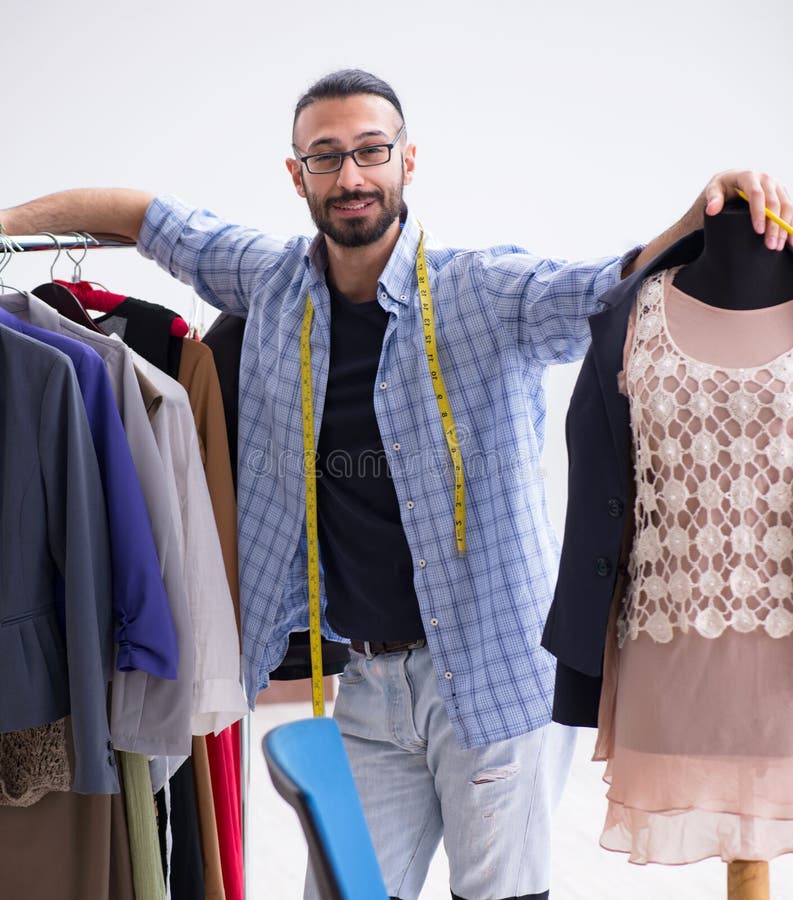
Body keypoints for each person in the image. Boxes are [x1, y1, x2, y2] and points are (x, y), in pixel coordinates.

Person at [2, 68, 791, 900]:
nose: (350, 176)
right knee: (343, 890)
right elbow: (139, 214)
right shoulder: (268, 283)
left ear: (407, 160)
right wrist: (9, 228)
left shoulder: (481, 291)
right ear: (296, 173)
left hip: (490, 680)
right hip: (368, 688)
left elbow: (609, 281)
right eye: (326, 156)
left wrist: (704, 208)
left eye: (370, 151)